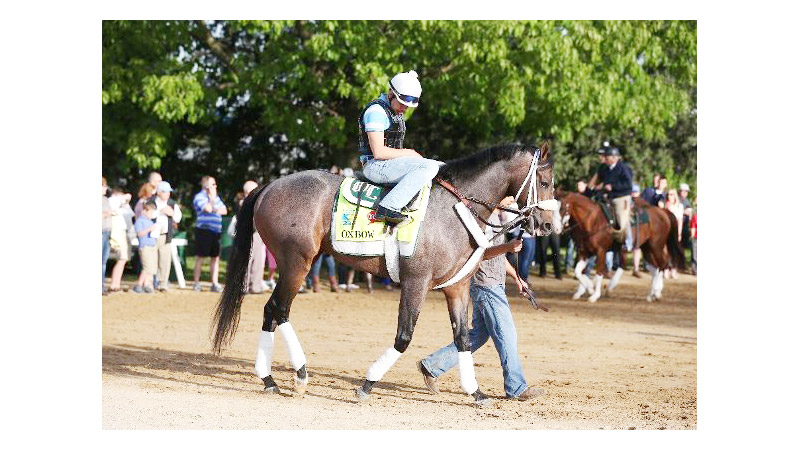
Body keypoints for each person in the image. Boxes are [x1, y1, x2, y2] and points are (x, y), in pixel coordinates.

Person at [417, 197, 547, 401]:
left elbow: (499, 256)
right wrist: (508, 247)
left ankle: (431, 366)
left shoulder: (494, 218)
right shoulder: (481, 220)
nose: (513, 200)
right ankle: (516, 388)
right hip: (486, 286)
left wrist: (516, 277)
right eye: (509, 196)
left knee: (478, 335)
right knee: (507, 335)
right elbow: (483, 253)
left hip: (492, 285)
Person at [358, 70, 442, 223]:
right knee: (428, 167)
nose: (404, 108)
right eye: (402, 103)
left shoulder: (393, 111)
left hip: (389, 165)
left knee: (441, 166)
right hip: (374, 166)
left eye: (407, 106)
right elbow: (379, 152)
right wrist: (409, 152)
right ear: (391, 93)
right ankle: (388, 207)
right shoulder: (376, 111)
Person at [192, 176, 228, 292]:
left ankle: (214, 283)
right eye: (212, 184)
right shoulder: (200, 197)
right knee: (200, 257)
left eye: (214, 184)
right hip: (204, 230)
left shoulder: (216, 198)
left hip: (216, 231)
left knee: (215, 258)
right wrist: (212, 201)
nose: (214, 187)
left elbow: (225, 210)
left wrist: (214, 207)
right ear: (205, 185)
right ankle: (196, 283)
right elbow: (207, 208)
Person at [152, 181, 181, 292]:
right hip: (152, 235)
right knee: (152, 260)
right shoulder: (151, 202)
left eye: (169, 192)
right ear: (159, 192)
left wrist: (171, 213)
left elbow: (178, 218)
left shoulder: (172, 203)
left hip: (165, 235)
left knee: (165, 260)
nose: (168, 194)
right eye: (165, 192)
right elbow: (146, 215)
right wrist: (159, 211)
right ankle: (151, 282)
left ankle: (163, 283)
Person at [600, 147, 633, 242]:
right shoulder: (606, 169)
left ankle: (628, 242)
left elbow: (628, 184)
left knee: (622, 219)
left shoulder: (623, 168)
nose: (605, 158)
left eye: (607, 157)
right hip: (609, 198)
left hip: (621, 198)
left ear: (614, 157)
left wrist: (613, 187)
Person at [108, 189, 135, 292]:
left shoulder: (123, 207)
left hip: (124, 233)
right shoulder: (113, 203)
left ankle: (116, 283)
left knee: (123, 259)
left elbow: (129, 218)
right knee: (121, 258)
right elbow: (118, 200)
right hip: (118, 233)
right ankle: (114, 284)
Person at [132, 203, 159, 293]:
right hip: (145, 246)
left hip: (152, 245)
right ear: (145, 211)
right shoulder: (140, 221)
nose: (151, 215)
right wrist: (150, 229)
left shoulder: (150, 221)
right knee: (146, 266)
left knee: (151, 267)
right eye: (150, 213)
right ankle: (139, 284)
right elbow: (139, 233)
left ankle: (146, 283)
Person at [536, 198, 563, 279]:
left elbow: (558, 216)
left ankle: (557, 273)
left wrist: (559, 226)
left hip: (554, 230)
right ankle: (542, 271)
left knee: (556, 251)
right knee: (543, 251)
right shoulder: (543, 203)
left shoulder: (557, 203)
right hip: (545, 229)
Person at [102, 177, 112, 295]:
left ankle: (102, 286)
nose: (105, 188)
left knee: (103, 261)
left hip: (106, 231)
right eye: (103, 186)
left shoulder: (105, 199)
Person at [690, 199, 697, 275]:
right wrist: (692, 236)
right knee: (695, 254)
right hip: (696, 236)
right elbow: (693, 226)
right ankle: (694, 269)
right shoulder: (695, 216)